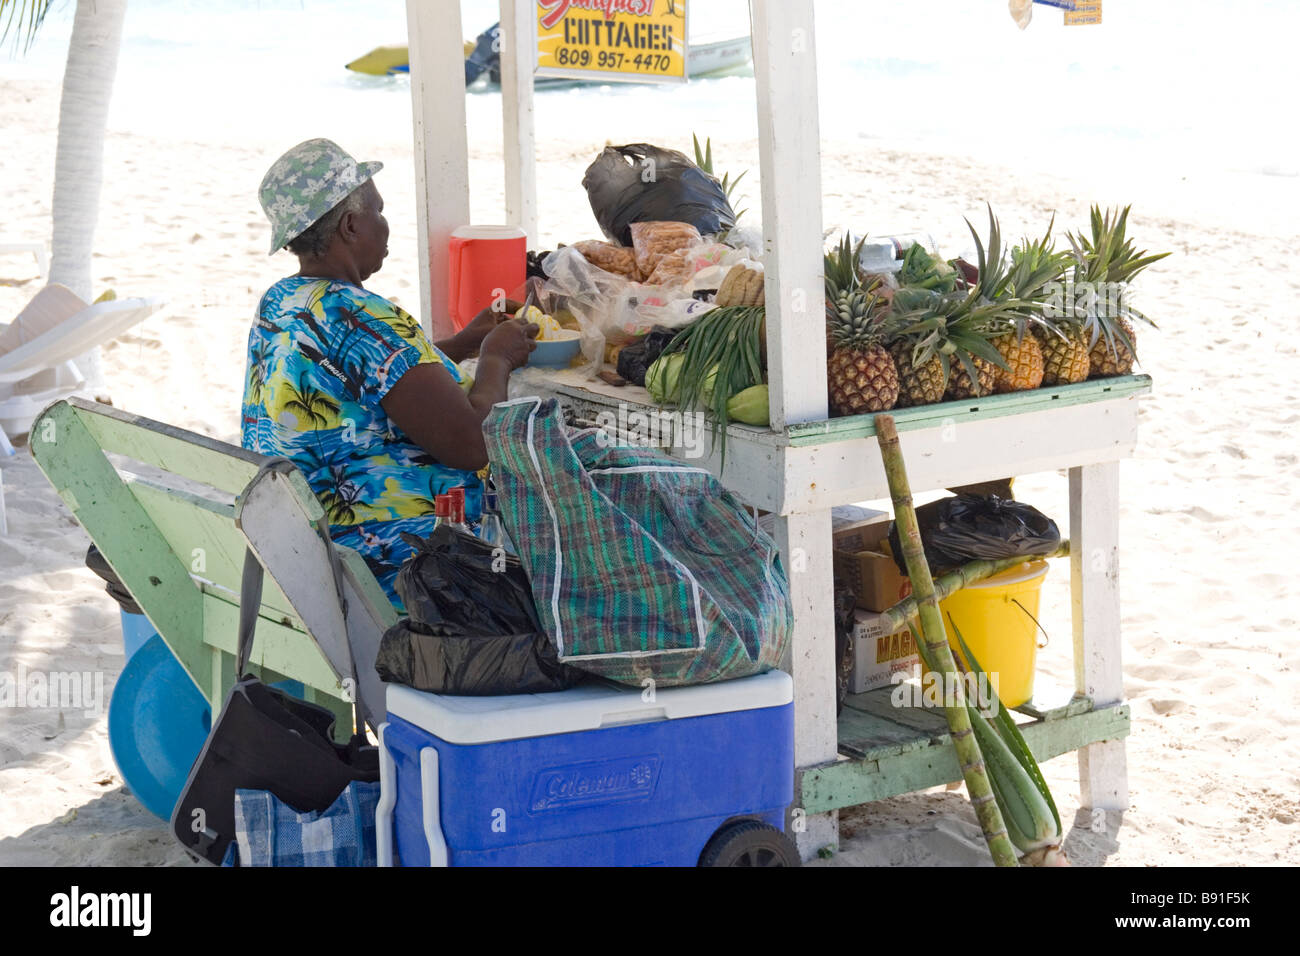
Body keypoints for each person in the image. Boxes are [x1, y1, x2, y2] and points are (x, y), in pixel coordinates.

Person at [244, 138, 537, 609]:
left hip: (311, 550)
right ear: (351, 224)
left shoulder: (281, 303)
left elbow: (365, 380)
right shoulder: (365, 316)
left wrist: (460, 346)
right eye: (378, 212)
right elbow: (472, 444)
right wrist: (495, 360)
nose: (385, 225)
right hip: (402, 567)